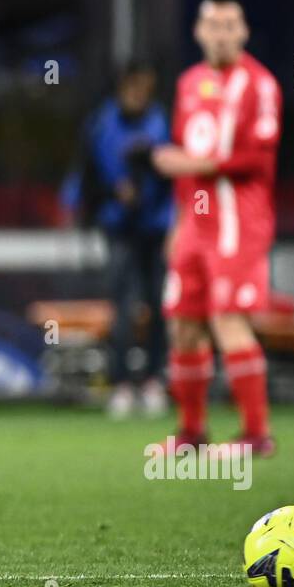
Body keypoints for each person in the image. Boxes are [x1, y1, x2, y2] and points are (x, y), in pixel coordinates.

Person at [152, 0, 282, 456]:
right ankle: (191, 432)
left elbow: (256, 159)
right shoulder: (189, 84)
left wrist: (190, 162)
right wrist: (179, 222)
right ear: (198, 32)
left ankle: (255, 435)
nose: (221, 33)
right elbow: (187, 169)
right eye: (213, 24)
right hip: (195, 224)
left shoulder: (260, 85)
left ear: (244, 32)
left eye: (230, 25)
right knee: (183, 325)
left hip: (238, 223)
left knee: (228, 320)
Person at [70, 63, 172, 416]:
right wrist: (115, 193)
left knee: (159, 305)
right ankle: (122, 384)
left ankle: (155, 380)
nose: (139, 95)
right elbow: (86, 180)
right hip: (118, 230)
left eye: (146, 88)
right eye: (134, 88)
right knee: (123, 307)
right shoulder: (100, 124)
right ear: (122, 88)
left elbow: (177, 175)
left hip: (157, 228)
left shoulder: (163, 123)